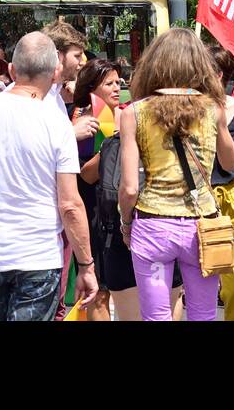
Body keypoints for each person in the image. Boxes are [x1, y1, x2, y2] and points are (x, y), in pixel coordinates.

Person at [0, 32, 97, 320]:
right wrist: (86, 266)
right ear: (55, 72)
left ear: (11, 70)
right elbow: (70, 204)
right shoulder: (57, 123)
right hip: (39, 257)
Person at [116, 29, 234, 322]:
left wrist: (126, 222)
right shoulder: (214, 109)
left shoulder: (135, 112)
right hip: (202, 226)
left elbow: (130, 187)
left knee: (156, 316)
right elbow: (230, 161)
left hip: (153, 223)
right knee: (204, 313)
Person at [72, 57, 126, 320]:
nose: (117, 88)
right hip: (94, 214)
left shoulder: (128, 115)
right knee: (100, 291)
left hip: (125, 213)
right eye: (109, 84)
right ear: (92, 88)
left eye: (118, 82)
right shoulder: (85, 121)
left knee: (128, 287)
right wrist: (112, 146)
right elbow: (85, 175)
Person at [205, 45, 234, 321]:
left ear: (219, 74)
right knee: (200, 282)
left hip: (232, 199)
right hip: (197, 199)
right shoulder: (184, 107)